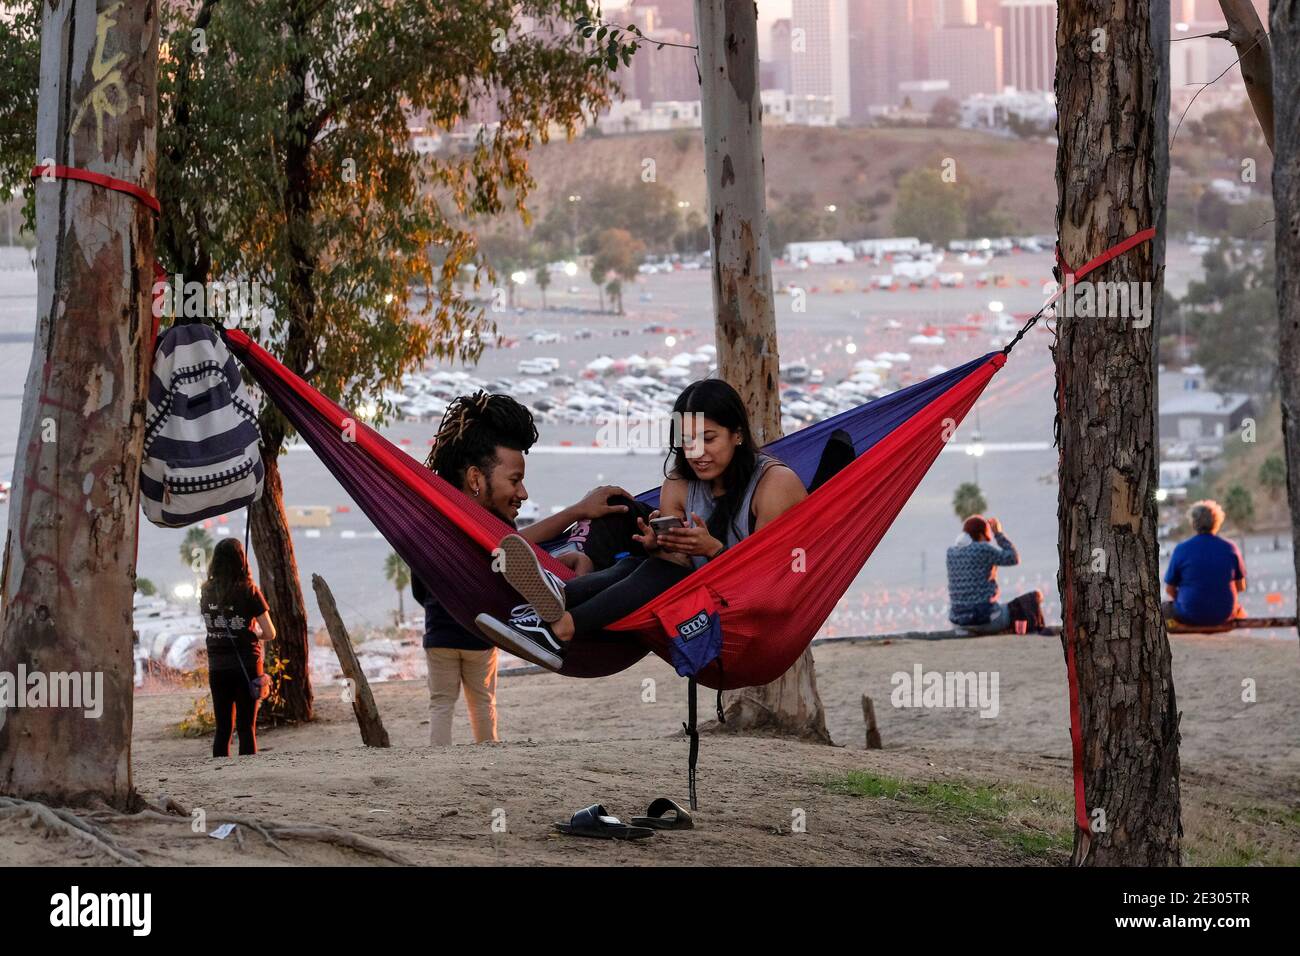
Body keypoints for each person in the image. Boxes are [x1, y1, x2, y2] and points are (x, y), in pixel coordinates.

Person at [474, 378, 808, 670]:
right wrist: (660, 547)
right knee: (644, 561)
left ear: (737, 435)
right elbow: (677, 567)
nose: (697, 453)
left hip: (750, 615)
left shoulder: (774, 485)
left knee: (666, 573)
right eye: (687, 442)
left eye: (709, 439)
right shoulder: (679, 483)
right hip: (691, 596)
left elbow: (770, 585)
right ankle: (554, 600)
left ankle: (560, 621)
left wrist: (714, 549)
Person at [416, 390, 634, 744]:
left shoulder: (493, 523)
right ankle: (483, 755)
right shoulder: (442, 527)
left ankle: (446, 760)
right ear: (475, 479)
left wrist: (560, 560)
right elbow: (494, 552)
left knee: (443, 702)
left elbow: (508, 551)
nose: (524, 494)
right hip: (482, 632)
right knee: (482, 701)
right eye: (515, 481)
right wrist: (576, 511)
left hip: (446, 634)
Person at [200, 538, 275, 757]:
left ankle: (220, 776)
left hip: (218, 667)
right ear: (241, 561)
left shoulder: (205, 591)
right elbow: (270, 632)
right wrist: (253, 633)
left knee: (223, 728)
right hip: (247, 666)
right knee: (246, 727)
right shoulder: (249, 590)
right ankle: (246, 777)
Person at [945, 514, 1043, 634]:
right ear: (981, 534)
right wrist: (998, 533)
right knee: (1034, 598)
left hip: (958, 622)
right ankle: (1039, 635)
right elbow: (1013, 558)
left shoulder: (951, 553)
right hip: (983, 619)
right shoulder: (983, 549)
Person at [1163, 499, 1246, 627]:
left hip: (1189, 614)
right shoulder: (1230, 548)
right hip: (1224, 614)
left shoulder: (1182, 549)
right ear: (1217, 522)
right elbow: (1241, 587)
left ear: (1193, 523)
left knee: (1163, 608)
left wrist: (1188, 600)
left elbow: (1169, 589)